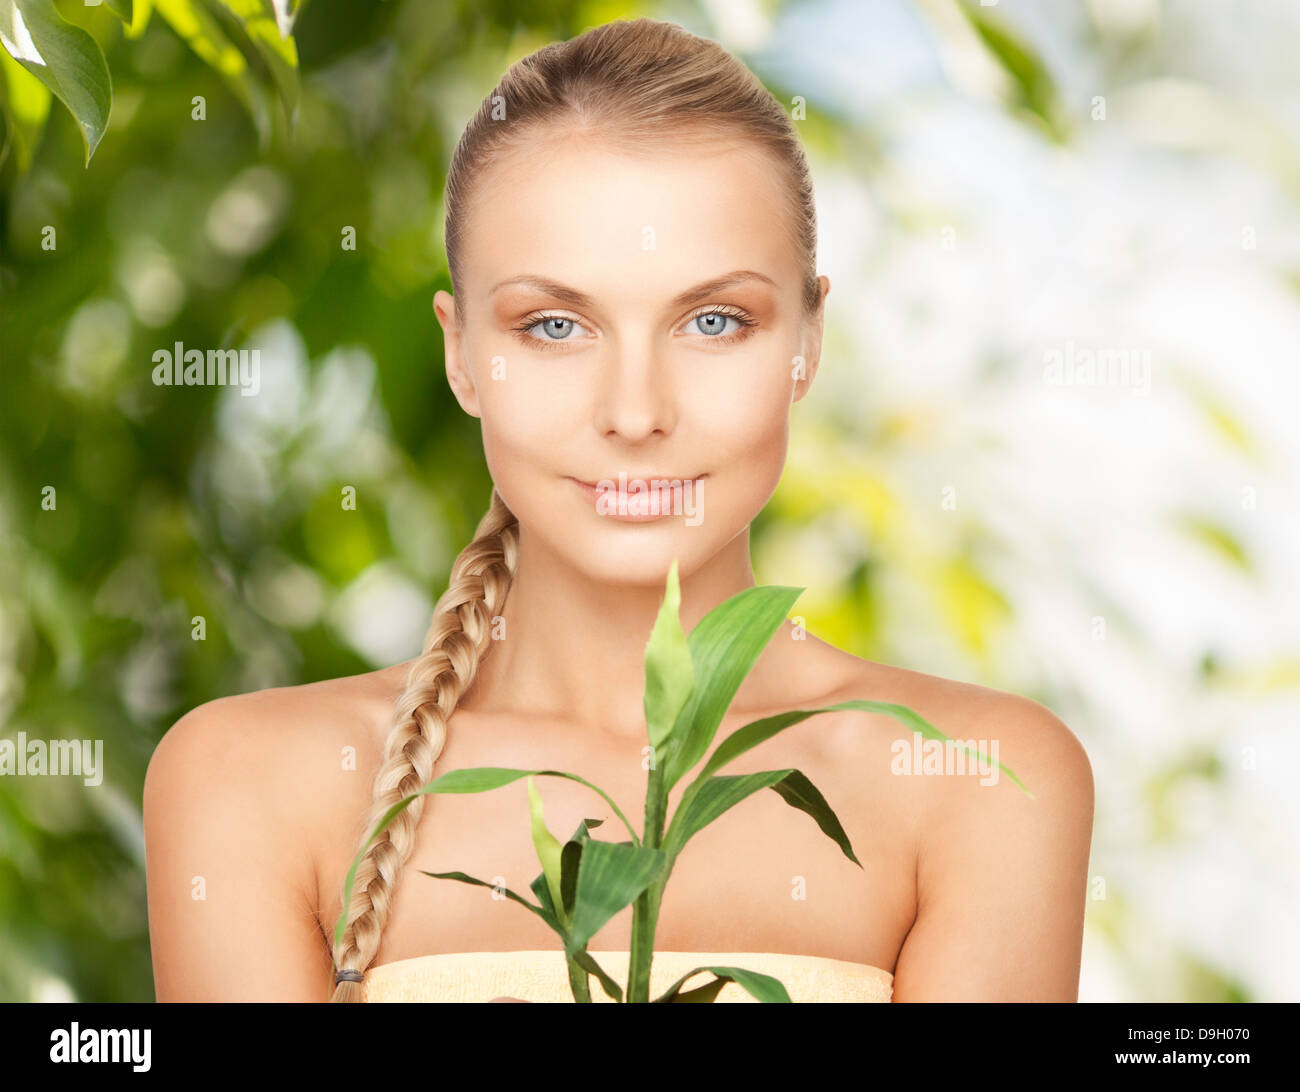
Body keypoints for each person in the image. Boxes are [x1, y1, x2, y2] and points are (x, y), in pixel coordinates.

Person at [144, 17, 1093, 1003]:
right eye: (555, 326)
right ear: (460, 352)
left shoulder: (982, 784)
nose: (635, 413)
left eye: (713, 321)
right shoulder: (247, 782)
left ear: (807, 341)